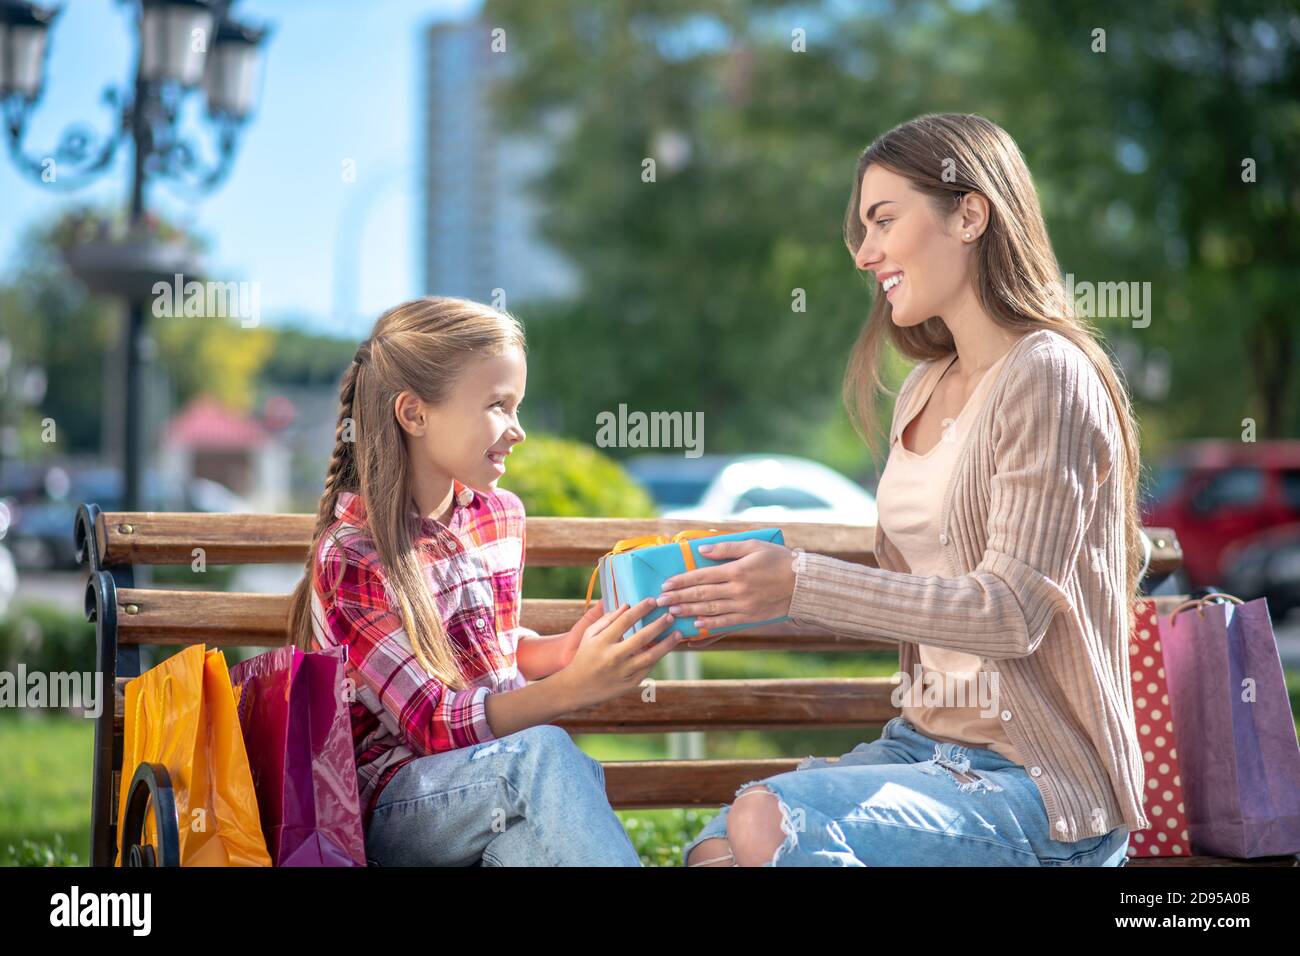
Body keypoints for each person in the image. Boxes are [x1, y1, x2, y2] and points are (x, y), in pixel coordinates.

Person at [673, 113, 1149, 866]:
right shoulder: (922, 389)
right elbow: (919, 587)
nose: (865, 254)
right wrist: (746, 587)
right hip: (921, 751)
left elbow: (1011, 611)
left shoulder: (1048, 373)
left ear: (969, 213)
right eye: (862, 231)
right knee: (715, 847)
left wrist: (798, 583)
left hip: (1038, 787)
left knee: (768, 825)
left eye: (882, 221)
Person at [284, 295, 680, 866]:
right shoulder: (354, 555)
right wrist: (573, 689)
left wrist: (563, 652)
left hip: (488, 788)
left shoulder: (499, 515)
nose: (517, 430)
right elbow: (433, 724)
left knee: (529, 850)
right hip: (390, 813)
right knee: (540, 757)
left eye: (517, 406)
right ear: (414, 414)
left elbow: (494, 649)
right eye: (498, 405)